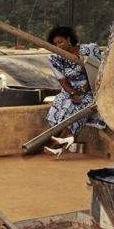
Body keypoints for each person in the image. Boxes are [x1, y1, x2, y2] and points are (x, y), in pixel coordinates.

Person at [43, 25, 104, 157]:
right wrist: (72, 93)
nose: (58, 46)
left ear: (69, 39)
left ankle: (61, 143)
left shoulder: (89, 50)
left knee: (82, 104)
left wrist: (83, 90)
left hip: (92, 88)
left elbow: (97, 73)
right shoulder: (55, 59)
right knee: (61, 101)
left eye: (60, 42)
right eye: (55, 44)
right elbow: (62, 81)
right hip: (70, 90)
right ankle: (63, 139)